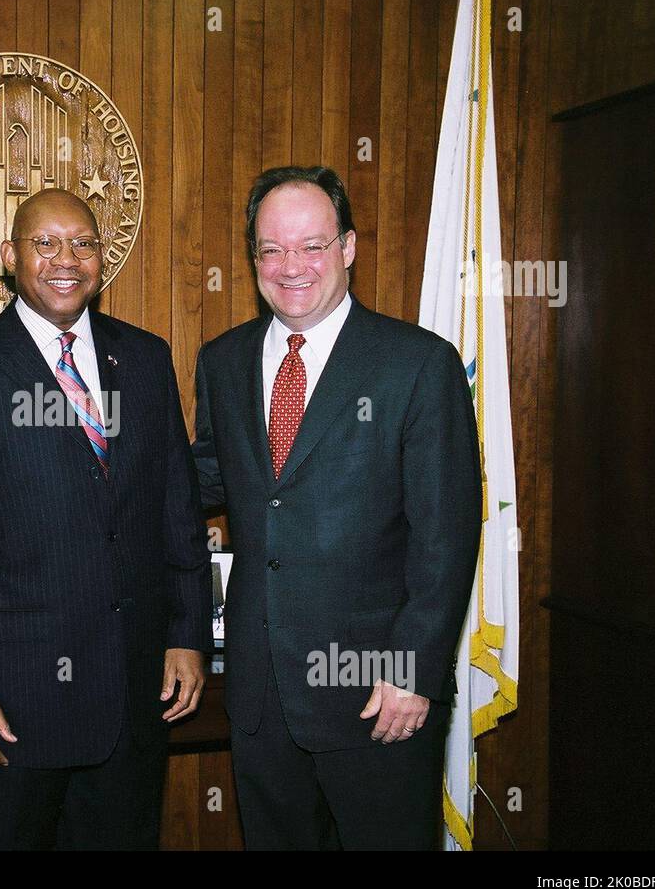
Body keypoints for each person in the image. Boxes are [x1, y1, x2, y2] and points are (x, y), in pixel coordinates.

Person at [0, 188, 212, 849]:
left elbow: (175, 511)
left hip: (133, 699)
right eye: (45, 243)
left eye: (84, 243)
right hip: (11, 711)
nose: (66, 258)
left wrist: (187, 632)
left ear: (102, 256)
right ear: (11, 257)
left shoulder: (147, 361)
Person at [192, 165, 481, 849]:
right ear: (253, 257)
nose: (292, 266)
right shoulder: (224, 361)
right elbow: (202, 481)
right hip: (261, 699)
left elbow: (447, 536)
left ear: (348, 247)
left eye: (312, 245)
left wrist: (411, 670)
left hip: (378, 698)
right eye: (272, 249)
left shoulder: (417, 364)